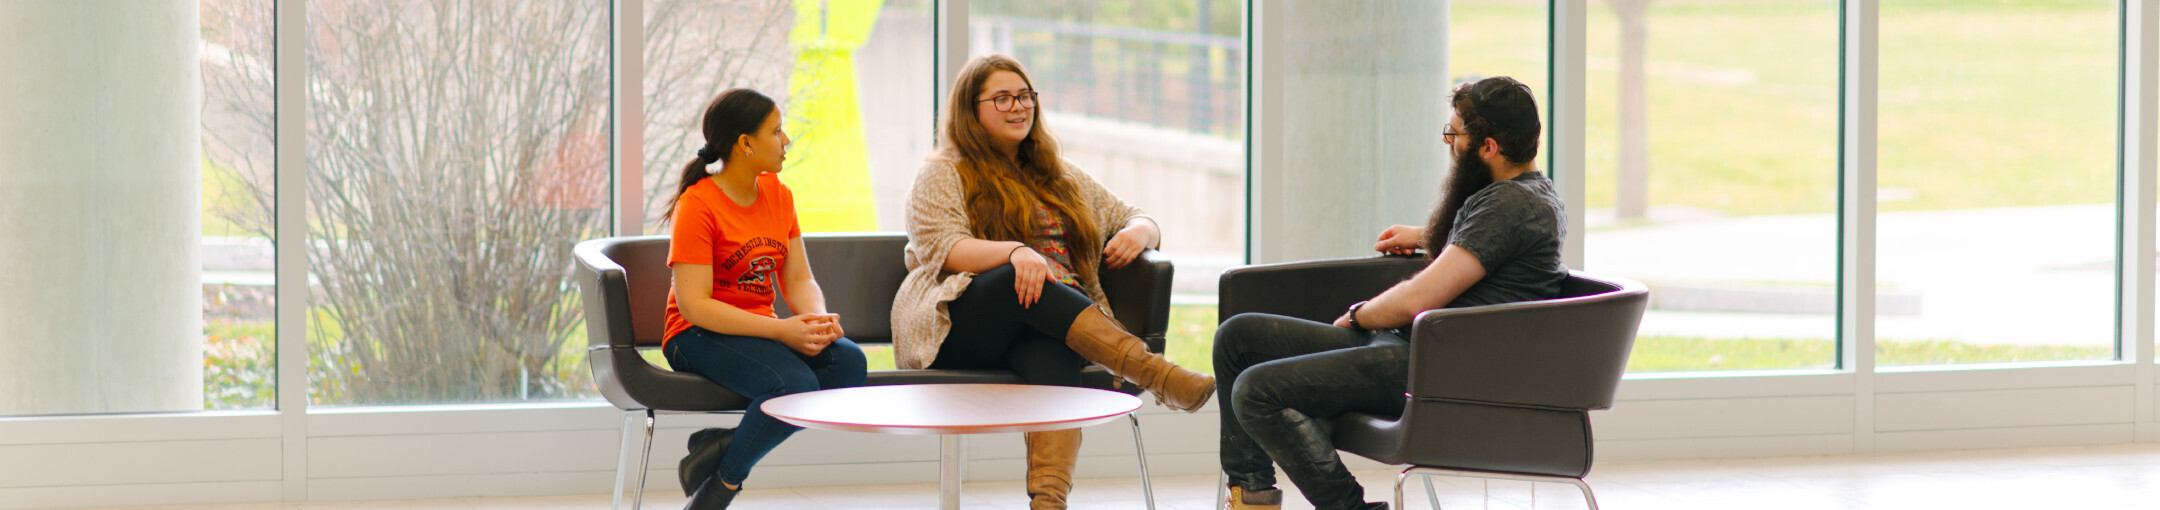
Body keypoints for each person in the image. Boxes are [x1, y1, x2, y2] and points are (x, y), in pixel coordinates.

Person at [1213, 76, 1562, 510]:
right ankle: (1252, 497)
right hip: (1413, 351)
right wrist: (1428, 235)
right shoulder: (1530, 193)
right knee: (1238, 338)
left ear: (1488, 147)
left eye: (1454, 134)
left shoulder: (1508, 206)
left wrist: (1359, 315)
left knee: (1255, 390)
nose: (1449, 144)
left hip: (1432, 368)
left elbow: (1418, 299)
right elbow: (1485, 249)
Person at [891, 54, 1216, 510]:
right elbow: (944, 248)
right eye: (1001, 98)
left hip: (1045, 325)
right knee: (1014, 278)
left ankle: (1049, 501)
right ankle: (1157, 374)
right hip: (957, 326)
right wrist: (1015, 251)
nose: (1018, 106)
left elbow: (1133, 215)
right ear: (971, 110)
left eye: (1025, 96)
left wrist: (1139, 232)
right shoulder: (944, 170)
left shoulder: (1056, 172)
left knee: (1054, 353)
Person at [662, 88, 869, 510]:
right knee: (793, 384)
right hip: (695, 335)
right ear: (746, 144)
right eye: (776, 131)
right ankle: (720, 490)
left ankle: (723, 446)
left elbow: (799, 278)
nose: (786, 140)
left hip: (756, 332)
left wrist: (816, 320)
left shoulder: (778, 194)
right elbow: (694, 305)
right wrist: (781, 331)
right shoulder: (697, 205)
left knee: (848, 363)